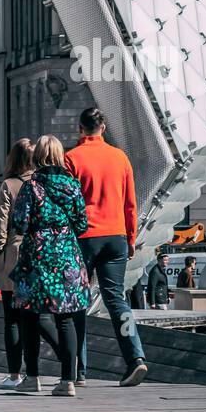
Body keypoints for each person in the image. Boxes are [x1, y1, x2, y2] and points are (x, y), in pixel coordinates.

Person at [66, 107, 148, 387]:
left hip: (84, 236)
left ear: (80, 128)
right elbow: (131, 203)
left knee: (78, 299)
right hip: (116, 236)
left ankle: (78, 369)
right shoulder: (120, 157)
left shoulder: (72, 158)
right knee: (116, 298)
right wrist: (131, 238)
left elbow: (70, 203)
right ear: (103, 128)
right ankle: (135, 359)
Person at [11, 135, 91, 397]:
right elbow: (81, 224)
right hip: (67, 257)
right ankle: (68, 380)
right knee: (66, 319)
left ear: (38, 158)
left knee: (30, 317)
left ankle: (32, 377)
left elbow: (19, 223)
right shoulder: (72, 186)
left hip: (37, 257)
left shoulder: (31, 187)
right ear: (59, 156)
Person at [0, 139, 34, 387]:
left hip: (13, 254)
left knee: (12, 319)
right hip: (36, 253)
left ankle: (15, 374)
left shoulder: (9, 185)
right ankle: (33, 372)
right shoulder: (40, 184)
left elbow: (0, 223)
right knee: (32, 317)